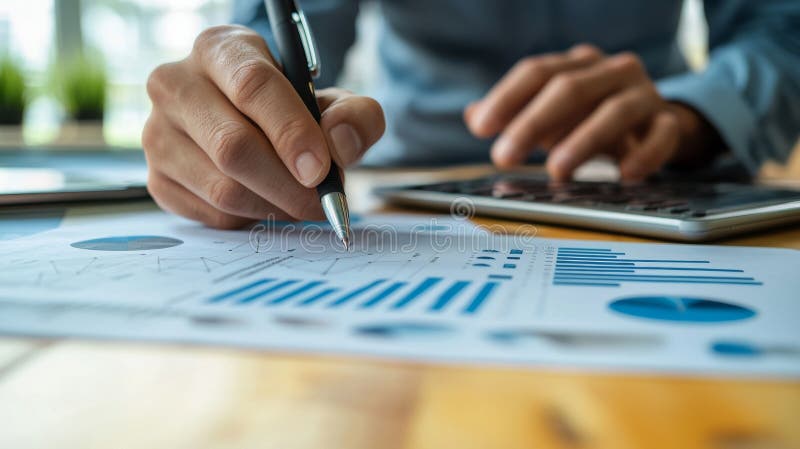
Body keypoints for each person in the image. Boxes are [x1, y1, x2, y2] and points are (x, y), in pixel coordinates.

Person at [142, 0, 800, 229]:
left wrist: (692, 114)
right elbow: (282, 31)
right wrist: (237, 102)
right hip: (405, 183)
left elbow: (781, 30)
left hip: (655, 169)